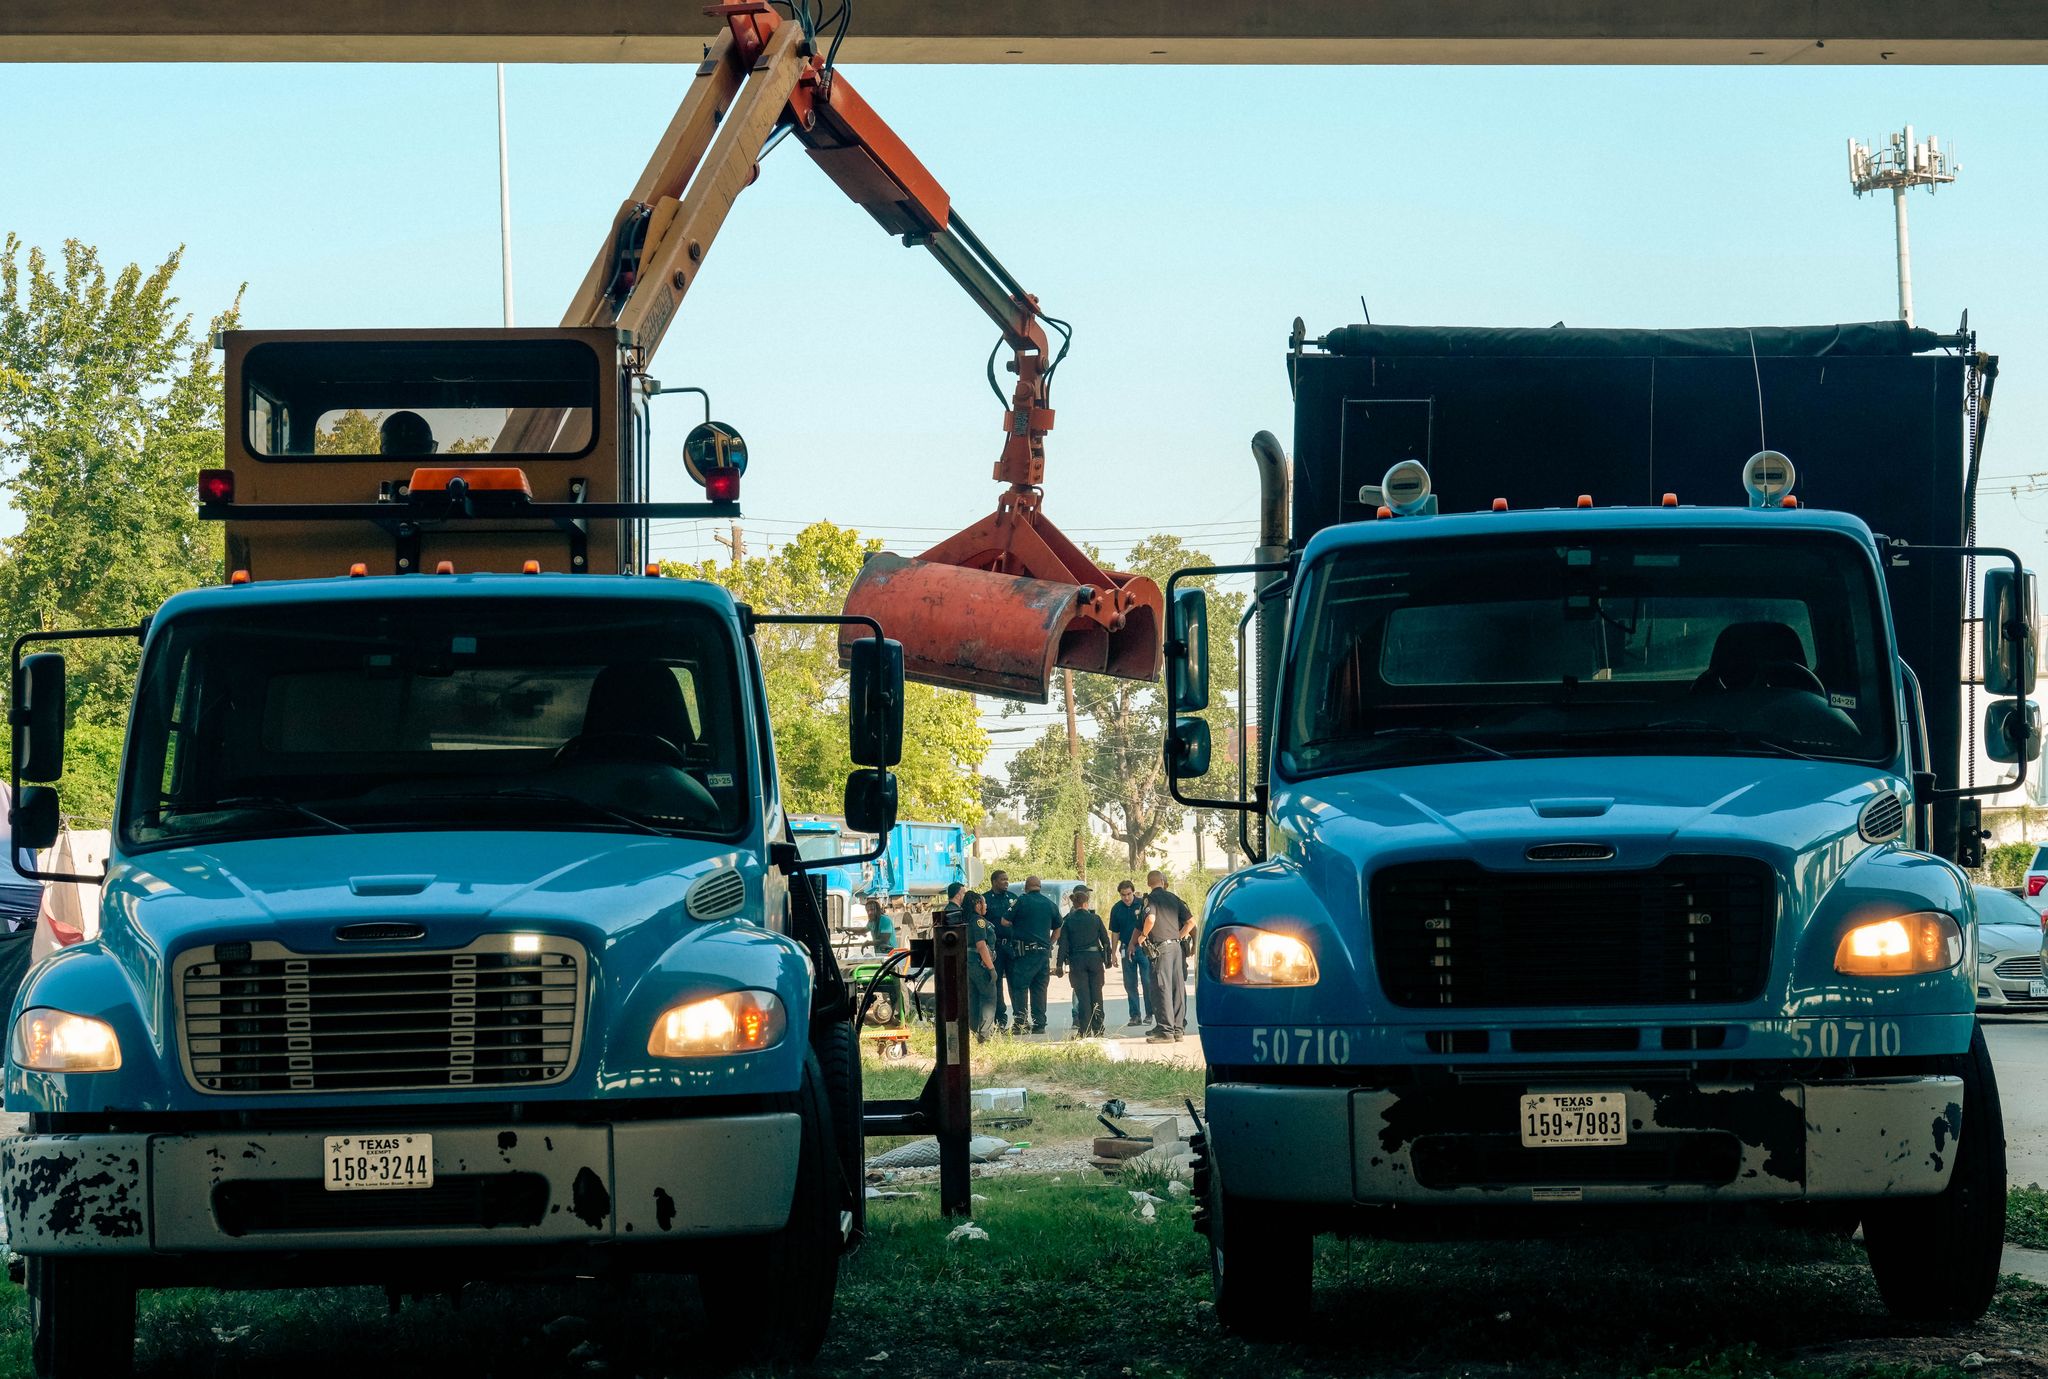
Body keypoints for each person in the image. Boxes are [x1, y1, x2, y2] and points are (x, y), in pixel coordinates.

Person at [1141, 869, 1196, 1043]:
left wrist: (1143, 935)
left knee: (1161, 987)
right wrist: (1178, 936)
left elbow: (1150, 919)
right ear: (1163, 881)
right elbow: (1191, 922)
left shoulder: (1151, 899)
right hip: (1176, 948)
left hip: (1161, 949)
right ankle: (1178, 1030)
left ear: (1149, 883)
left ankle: (1165, 1031)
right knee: (1177, 988)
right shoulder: (1174, 898)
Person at [1005, 874, 1060, 1035]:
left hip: (1025, 953)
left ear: (1026, 887)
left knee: (1020, 987)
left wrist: (1017, 926)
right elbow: (1058, 928)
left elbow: (1004, 921)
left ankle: (1021, 1023)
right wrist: (1049, 943)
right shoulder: (1049, 904)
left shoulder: (1021, 901)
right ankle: (1039, 1024)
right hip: (1043, 954)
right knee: (1039, 988)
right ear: (1039, 887)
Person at [1057, 885, 1111, 1038]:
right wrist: (1107, 960)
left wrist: (1059, 965)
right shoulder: (1095, 919)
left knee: (1083, 996)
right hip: (1095, 960)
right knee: (1097, 994)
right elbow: (1105, 941)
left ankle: (1084, 1030)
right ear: (1086, 904)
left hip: (1077, 961)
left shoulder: (1068, 921)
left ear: (1073, 904)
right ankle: (1099, 1028)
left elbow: (1063, 945)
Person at [1108, 879, 1151, 1029]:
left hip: (1143, 947)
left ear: (1133, 892)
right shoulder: (1116, 909)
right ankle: (1135, 1015)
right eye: (1123, 895)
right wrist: (1113, 953)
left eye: (1128, 894)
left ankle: (1150, 1014)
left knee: (1147, 981)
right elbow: (1115, 932)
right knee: (1130, 983)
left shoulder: (1142, 904)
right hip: (1126, 948)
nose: (1126, 898)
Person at [960, 889, 999, 1042]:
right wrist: (991, 968)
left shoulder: (966, 919)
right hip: (978, 962)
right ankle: (985, 1035)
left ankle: (974, 1032)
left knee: (974, 998)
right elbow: (981, 946)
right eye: (983, 902)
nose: (986, 905)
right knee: (989, 997)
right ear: (977, 904)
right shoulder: (978, 921)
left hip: (967, 962)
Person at [984, 870, 1016, 1030]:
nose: (1006, 882)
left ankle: (1019, 1018)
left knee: (1015, 982)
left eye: (1007, 879)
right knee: (996, 983)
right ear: (994, 881)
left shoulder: (1013, 898)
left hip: (1010, 945)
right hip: (994, 947)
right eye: (1003, 879)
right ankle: (1000, 1018)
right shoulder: (986, 900)